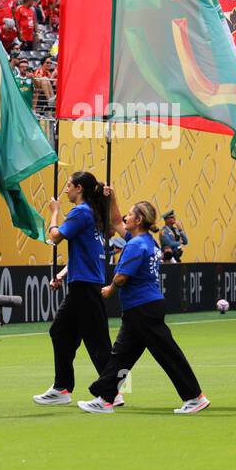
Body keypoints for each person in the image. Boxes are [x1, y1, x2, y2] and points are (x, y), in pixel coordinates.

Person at [78, 200, 209, 414]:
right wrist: (112, 197)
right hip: (143, 306)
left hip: (142, 308)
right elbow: (116, 219)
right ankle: (105, 398)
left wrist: (109, 289)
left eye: (130, 215)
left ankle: (194, 397)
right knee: (122, 355)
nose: (125, 218)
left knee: (167, 354)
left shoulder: (135, 245)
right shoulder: (146, 241)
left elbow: (122, 276)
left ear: (138, 220)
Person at [32, 171, 122, 406]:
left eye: (69, 185)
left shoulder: (81, 212)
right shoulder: (94, 213)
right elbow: (87, 249)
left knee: (96, 340)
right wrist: (63, 273)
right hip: (84, 282)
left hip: (85, 284)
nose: (66, 190)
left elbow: (55, 238)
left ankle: (111, 391)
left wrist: (54, 212)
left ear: (79, 188)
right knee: (61, 332)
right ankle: (62, 387)